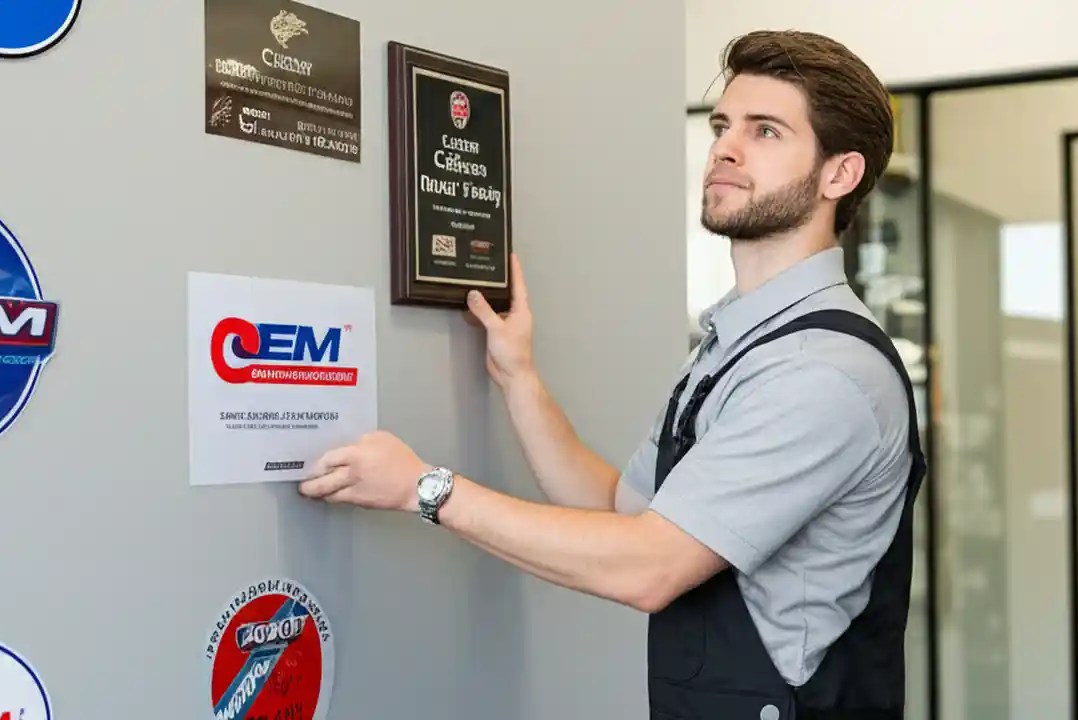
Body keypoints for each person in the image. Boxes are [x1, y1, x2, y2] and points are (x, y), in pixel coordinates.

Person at [299, 29, 925, 720]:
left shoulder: (823, 374)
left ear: (839, 174)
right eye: (723, 125)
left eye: (767, 131)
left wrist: (424, 488)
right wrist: (519, 377)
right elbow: (618, 510)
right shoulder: (739, 345)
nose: (725, 147)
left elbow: (649, 565)